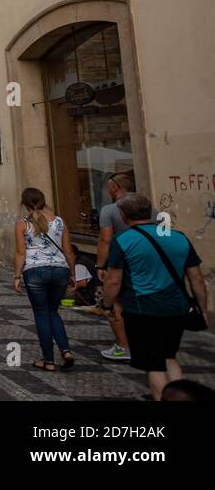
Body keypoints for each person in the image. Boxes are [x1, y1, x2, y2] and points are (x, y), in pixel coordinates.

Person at [102, 192, 208, 401]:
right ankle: (180, 396)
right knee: (169, 356)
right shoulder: (178, 237)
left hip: (142, 309)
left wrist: (107, 305)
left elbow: (113, 280)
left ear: (123, 215)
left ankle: (163, 398)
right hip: (176, 307)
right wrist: (203, 309)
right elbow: (196, 279)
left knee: (154, 364)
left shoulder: (123, 240)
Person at [13, 187, 77, 372]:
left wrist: (17, 276)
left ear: (24, 204)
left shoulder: (22, 223)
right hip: (60, 270)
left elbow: (20, 252)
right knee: (53, 311)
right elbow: (69, 251)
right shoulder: (59, 221)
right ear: (43, 200)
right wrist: (72, 274)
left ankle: (48, 360)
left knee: (41, 313)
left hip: (35, 271)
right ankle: (66, 351)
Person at [96, 172, 138, 361]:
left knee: (116, 302)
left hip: (120, 261)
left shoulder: (110, 209)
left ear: (114, 188)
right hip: (144, 261)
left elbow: (105, 239)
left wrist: (100, 265)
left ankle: (123, 345)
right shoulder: (148, 208)